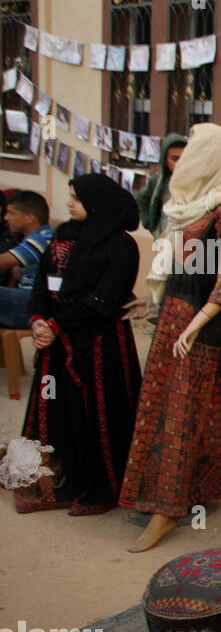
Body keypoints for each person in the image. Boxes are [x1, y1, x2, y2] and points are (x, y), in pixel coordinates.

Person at [118, 124, 221, 553]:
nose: (187, 156)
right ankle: (171, 495)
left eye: (196, 148)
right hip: (176, 321)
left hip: (203, 330)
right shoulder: (192, 205)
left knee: (182, 416)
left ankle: (167, 511)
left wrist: (194, 326)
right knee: (163, 409)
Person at [18, 176, 141, 515]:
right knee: (58, 410)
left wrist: (58, 325)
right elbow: (42, 284)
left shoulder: (120, 244)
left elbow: (106, 298)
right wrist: (39, 320)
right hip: (56, 341)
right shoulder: (62, 237)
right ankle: (60, 485)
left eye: (76, 198)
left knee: (97, 417)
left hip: (99, 345)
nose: (68, 204)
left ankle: (102, 489)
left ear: (98, 204)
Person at [0, 191, 54, 328]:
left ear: (30, 217)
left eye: (11, 213)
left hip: (35, 306)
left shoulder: (44, 239)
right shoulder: (37, 238)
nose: (6, 218)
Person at [135, 133, 188, 237]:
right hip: (164, 242)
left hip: (189, 245)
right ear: (166, 161)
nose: (180, 163)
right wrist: (151, 227)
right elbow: (141, 199)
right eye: (175, 159)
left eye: (184, 158)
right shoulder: (157, 182)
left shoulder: (196, 182)